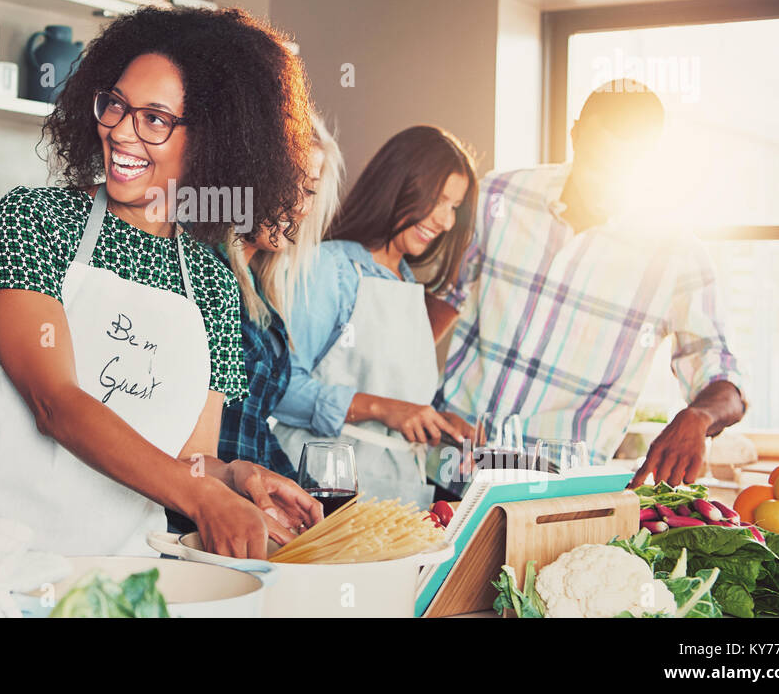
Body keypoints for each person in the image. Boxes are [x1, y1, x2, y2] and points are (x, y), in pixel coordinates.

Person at [0, 7, 323, 559]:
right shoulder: (35, 221)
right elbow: (53, 401)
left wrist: (233, 476)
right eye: (116, 105)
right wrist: (201, 500)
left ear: (210, 139)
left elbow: (186, 461)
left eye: (155, 119)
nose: (121, 132)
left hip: (113, 573)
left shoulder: (213, 285)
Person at [430, 80, 746, 490]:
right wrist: (402, 402)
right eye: (599, 163)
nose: (607, 185)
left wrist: (698, 417)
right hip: (451, 468)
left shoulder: (677, 255)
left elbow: (722, 377)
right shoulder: (499, 195)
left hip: (559, 493)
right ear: (576, 134)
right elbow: (440, 304)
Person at [272, 126, 480, 507]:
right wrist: (383, 409)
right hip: (323, 492)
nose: (446, 221)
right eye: (439, 200)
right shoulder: (331, 268)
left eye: (454, 207)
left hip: (397, 492)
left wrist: (436, 419)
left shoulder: (408, 283)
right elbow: (279, 389)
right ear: (397, 185)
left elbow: (397, 395)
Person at [217, 112, 344, 478]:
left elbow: (253, 431)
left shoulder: (261, 294)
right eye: (287, 181)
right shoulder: (206, 272)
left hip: (244, 507)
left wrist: (301, 495)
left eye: (309, 190)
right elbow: (217, 446)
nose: (297, 205)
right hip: (198, 515)